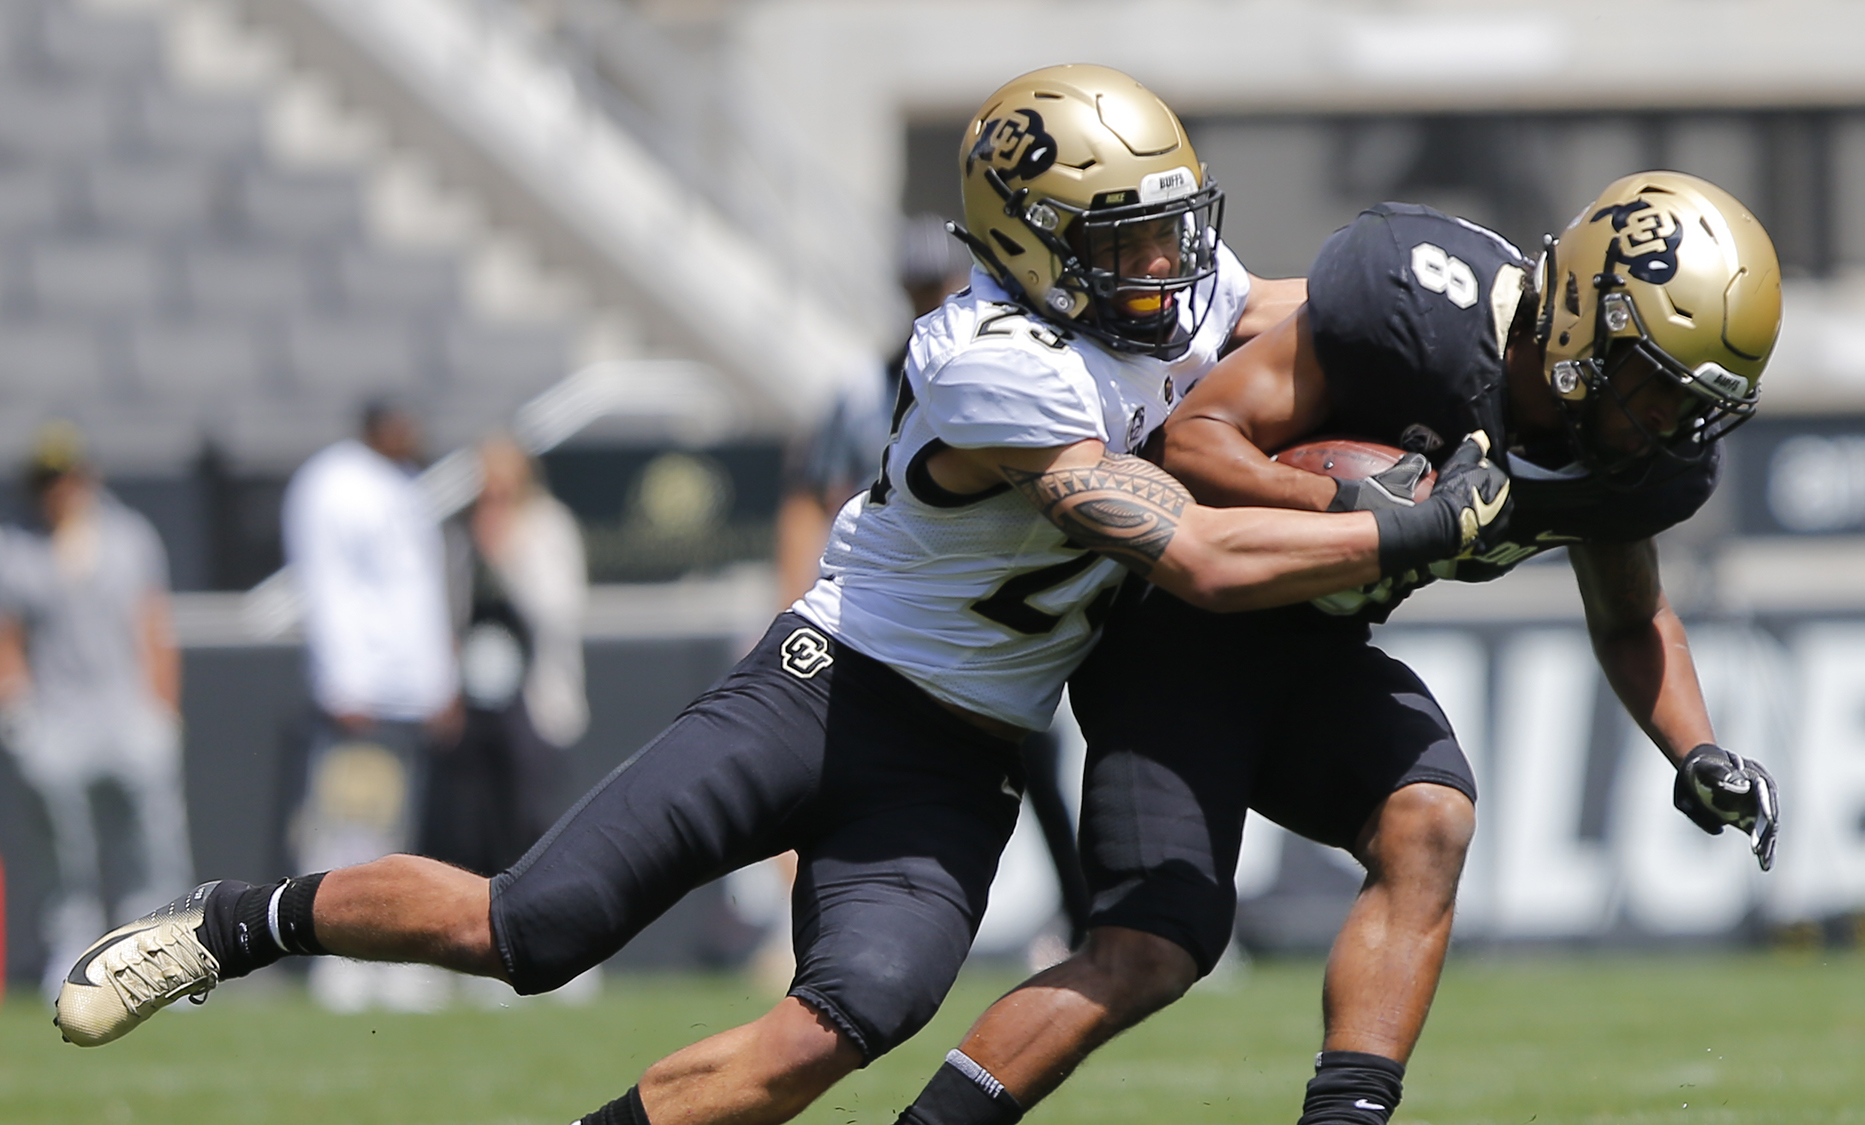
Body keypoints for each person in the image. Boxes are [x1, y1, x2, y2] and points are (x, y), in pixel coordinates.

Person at [52, 64, 1510, 1125]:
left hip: (966, 756)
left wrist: (1492, 370)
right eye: (1122, 239)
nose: (1165, 265)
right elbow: (1189, 554)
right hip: (825, 690)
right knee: (531, 928)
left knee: (847, 1022)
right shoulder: (990, 362)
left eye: (1168, 227)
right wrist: (1408, 523)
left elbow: (1316, 314)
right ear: (1026, 245)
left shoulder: (1166, 295)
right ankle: (233, 922)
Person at [885, 171, 1784, 1125]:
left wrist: (1696, 749)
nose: (1667, 424)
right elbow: (1194, 440)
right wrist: (1352, 506)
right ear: (1581, 317)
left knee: (1429, 816)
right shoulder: (1425, 313)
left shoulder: (1628, 464)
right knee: (1152, 947)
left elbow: (1632, 615)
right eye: (1654, 384)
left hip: (1316, 642)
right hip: (1177, 629)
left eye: (1693, 403)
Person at [763, 212, 1089, 985]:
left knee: (1040, 773)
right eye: (916, 286)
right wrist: (795, 596)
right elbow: (810, 498)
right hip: (890, 615)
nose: (928, 298)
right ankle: (827, 935)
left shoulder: (1015, 368)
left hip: (994, 616)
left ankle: (1092, 917)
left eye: (936, 282)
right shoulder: (861, 388)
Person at [280, 397, 461, 1011]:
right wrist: (343, 679)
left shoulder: (404, 486)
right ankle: (339, 960)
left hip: (410, 693)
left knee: (399, 836)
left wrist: (438, 682)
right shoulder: (332, 482)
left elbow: (421, 595)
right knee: (345, 829)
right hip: (361, 692)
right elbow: (324, 582)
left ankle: (397, 955)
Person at [0, 421, 191, 1001]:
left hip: (127, 711)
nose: (58, 489)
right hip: (57, 718)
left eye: (66, 476)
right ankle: (71, 946)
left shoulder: (130, 537)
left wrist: (162, 710)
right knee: (64, 846)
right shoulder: (14, 548)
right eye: (46, 479)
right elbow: (9, 639)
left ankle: (160, 951)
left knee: (154, 839)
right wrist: (19, 711)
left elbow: (152, 624)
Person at [423, 434, 590, 880]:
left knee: (533, 819)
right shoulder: (464, 531)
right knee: (472, 825)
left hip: (531, 701)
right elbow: (450, 614)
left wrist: (509, 551)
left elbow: (558, 608)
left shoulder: (547, 527)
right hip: (476, 705)